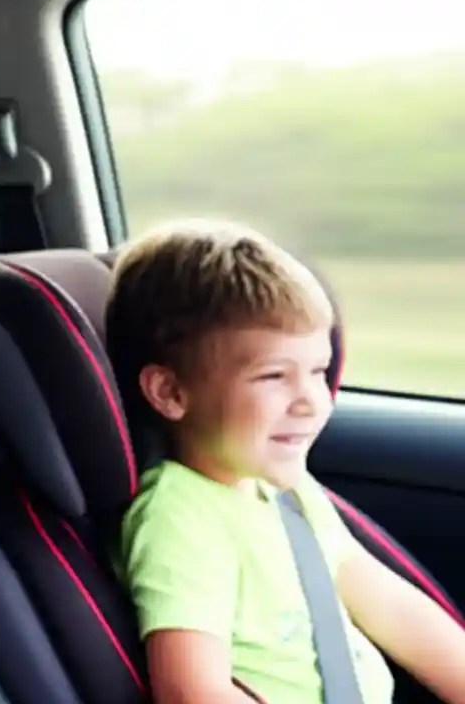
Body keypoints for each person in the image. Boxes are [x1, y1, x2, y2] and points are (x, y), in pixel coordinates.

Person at [105, 220, 465, 703]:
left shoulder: (286, 491)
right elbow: (192, 691)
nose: (312, 401)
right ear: (170, 392)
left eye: (318, 371)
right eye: (274, 376)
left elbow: (394, 610)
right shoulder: (179, 517)